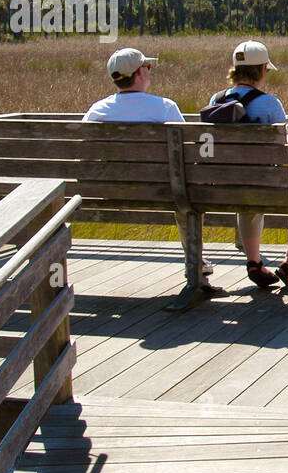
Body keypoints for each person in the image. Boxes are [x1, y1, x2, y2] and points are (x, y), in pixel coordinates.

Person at [83, 47, 219, 296]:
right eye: (147, 67)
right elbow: (189, 154)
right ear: (139, 74)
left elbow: (84, 155)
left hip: (104, 191)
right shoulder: (164, 108)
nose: (149, 71)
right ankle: (196, 270)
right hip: (164, 191)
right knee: (186, 202)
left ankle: (198, 268)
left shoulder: (96, 112)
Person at [206, 40, 288, 289]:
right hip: (264, 182)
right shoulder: (270, 104)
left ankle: (254, 262)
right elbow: (285, 156)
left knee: (248, 196)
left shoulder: (215, 101)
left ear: (235, 70)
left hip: (222, 185)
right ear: (261, 70)